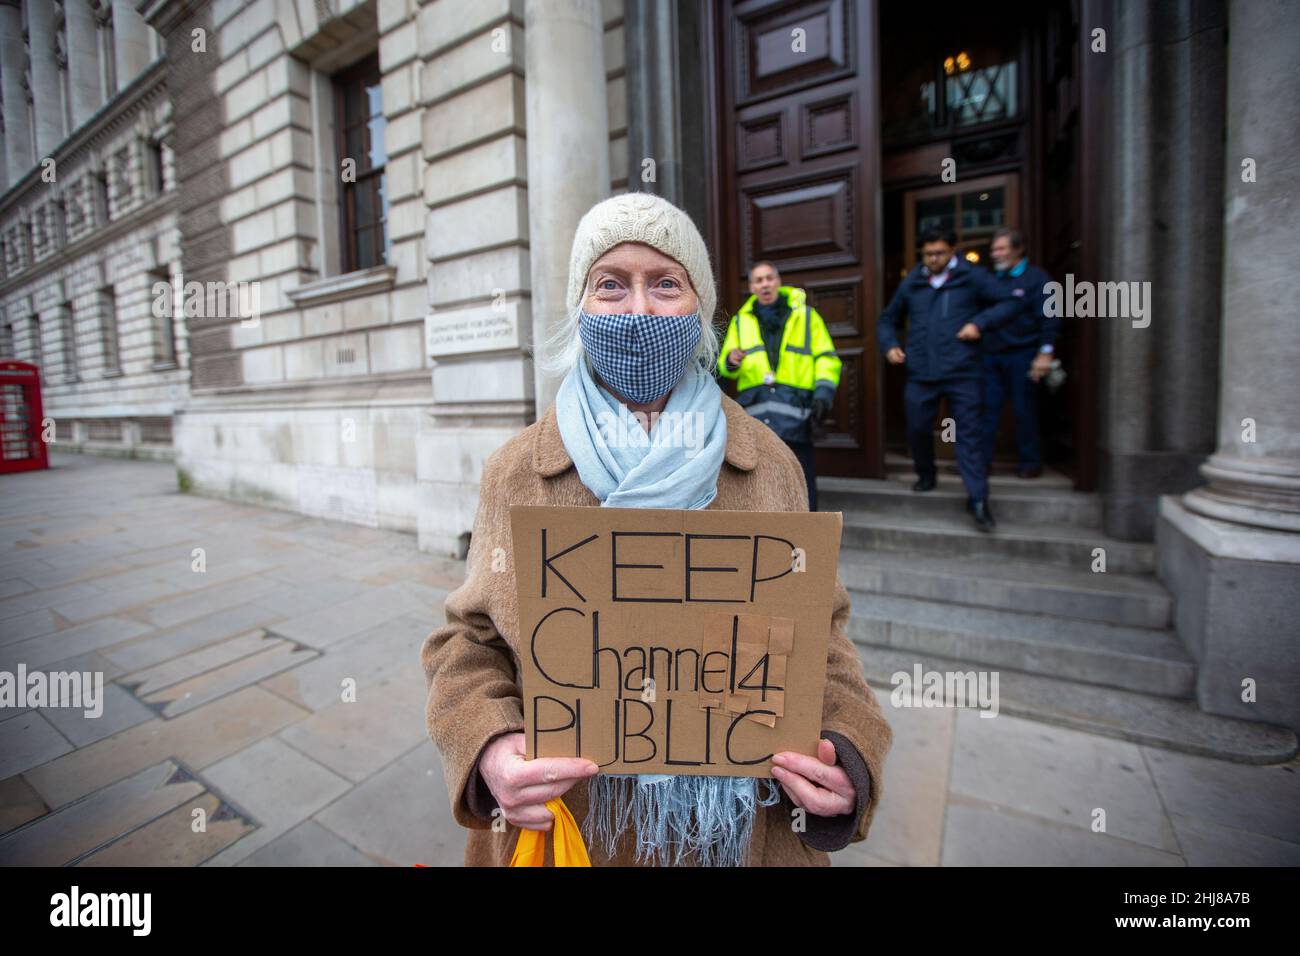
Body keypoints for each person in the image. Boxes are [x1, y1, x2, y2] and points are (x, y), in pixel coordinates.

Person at [421, 192, 891, 867]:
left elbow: (825, 638)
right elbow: (467, 642)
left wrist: (848, 751)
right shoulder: (516, 471)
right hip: (572, 833)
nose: (639, 309)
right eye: (610, 284)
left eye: (665, 283)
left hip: (745, 836)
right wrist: (487, 744)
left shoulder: (770, 464)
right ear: (579, 307)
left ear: (698, 307)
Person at [877, 228, 1019, 532]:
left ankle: (978, 499)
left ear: (953, 250)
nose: (933, 259)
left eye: (939, 253)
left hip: (963, 372)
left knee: (968, 435)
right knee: (917, 428)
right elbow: (888, 318)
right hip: (921, 372)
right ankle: (926, 475)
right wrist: (889, 345)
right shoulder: (913, 281)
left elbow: (1009, 302)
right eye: (928, 254)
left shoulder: (972, 277)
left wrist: (978, 323)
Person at [716, 262, 841, 511]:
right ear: (752, 287)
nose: (765, 284)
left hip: (796, 410)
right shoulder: (741, 321)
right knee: (761, 477)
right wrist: (731, 361)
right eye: (759, 280)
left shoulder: (806, 316)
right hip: (757, 414)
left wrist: (823, 395)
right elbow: (723, 364)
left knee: (801, 473)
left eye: (769, 278)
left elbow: (826, 358)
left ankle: (808, 529)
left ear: (778, 281)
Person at [981, 227, 1058, 479]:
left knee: (1024, 410)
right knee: (987, 410)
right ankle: (981, 463)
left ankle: (1030, 463)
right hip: (991, 355)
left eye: (1001, 248)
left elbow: (1050, 318)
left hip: (1023, 354)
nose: (996, 254)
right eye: (994, 249)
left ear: (1018, 249)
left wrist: (1045, 354)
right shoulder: (990, 279)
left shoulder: (1039, 279)